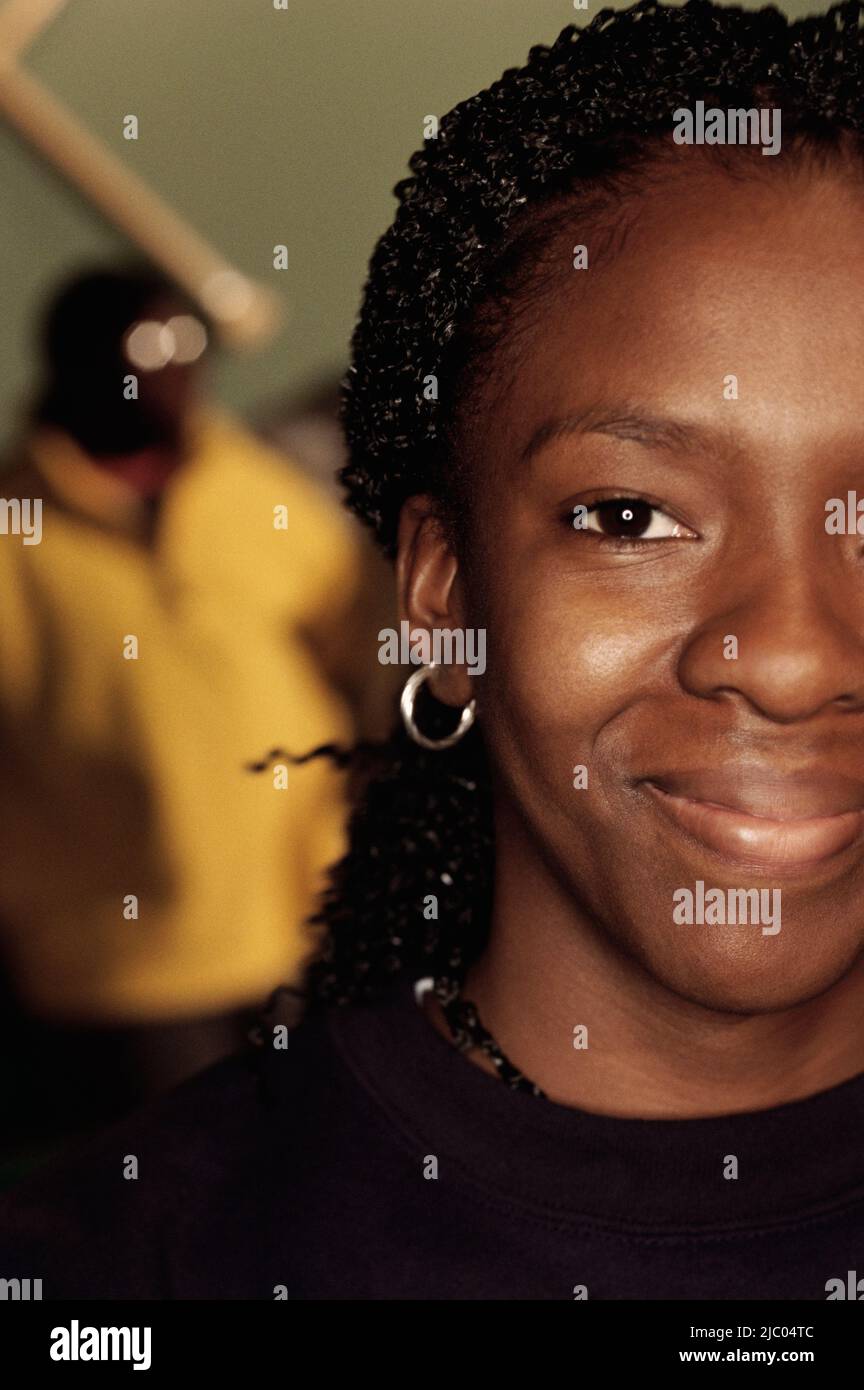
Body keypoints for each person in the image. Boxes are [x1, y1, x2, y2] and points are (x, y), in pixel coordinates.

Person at [2, 0, 864, 1299]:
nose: (791, 656)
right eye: (627, 516)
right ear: (446, 600)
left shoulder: (256, 509)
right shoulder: (120, 1272)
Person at [0, 266, 362, 1147]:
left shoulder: (254, 492)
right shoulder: (16, 532)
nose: (160, 377)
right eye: (134, 354)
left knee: (326, 1174)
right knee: (188, 1193)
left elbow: (351, 636)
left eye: (180, 351)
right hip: (124, 958)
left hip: (299, 915)